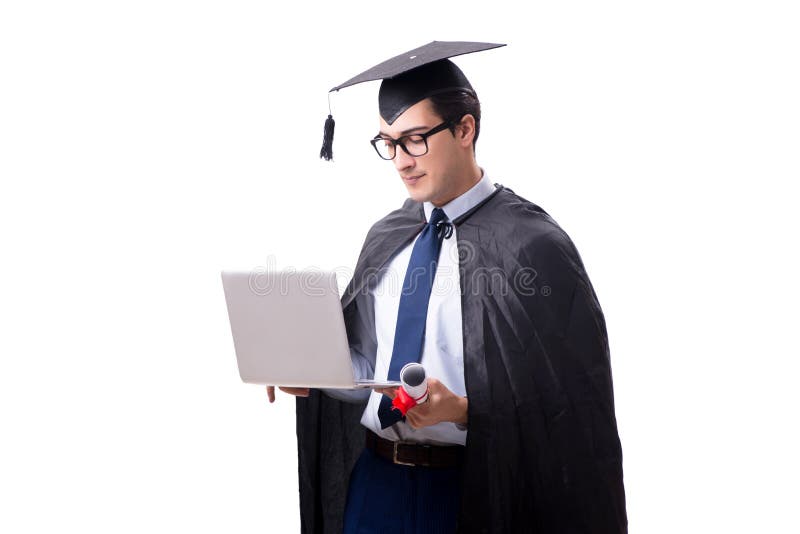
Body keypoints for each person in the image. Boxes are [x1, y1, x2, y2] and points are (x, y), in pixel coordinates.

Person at [267, 41, 627, 533]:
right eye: (388, 143)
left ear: (464, 129)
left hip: (470, 493)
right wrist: (310, 369)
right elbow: (369, 366)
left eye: (415, 139)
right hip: (376, 489)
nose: (401, 161)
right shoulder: (388, 237)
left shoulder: (532, 247)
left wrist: (462, 411)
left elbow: (568, 407)